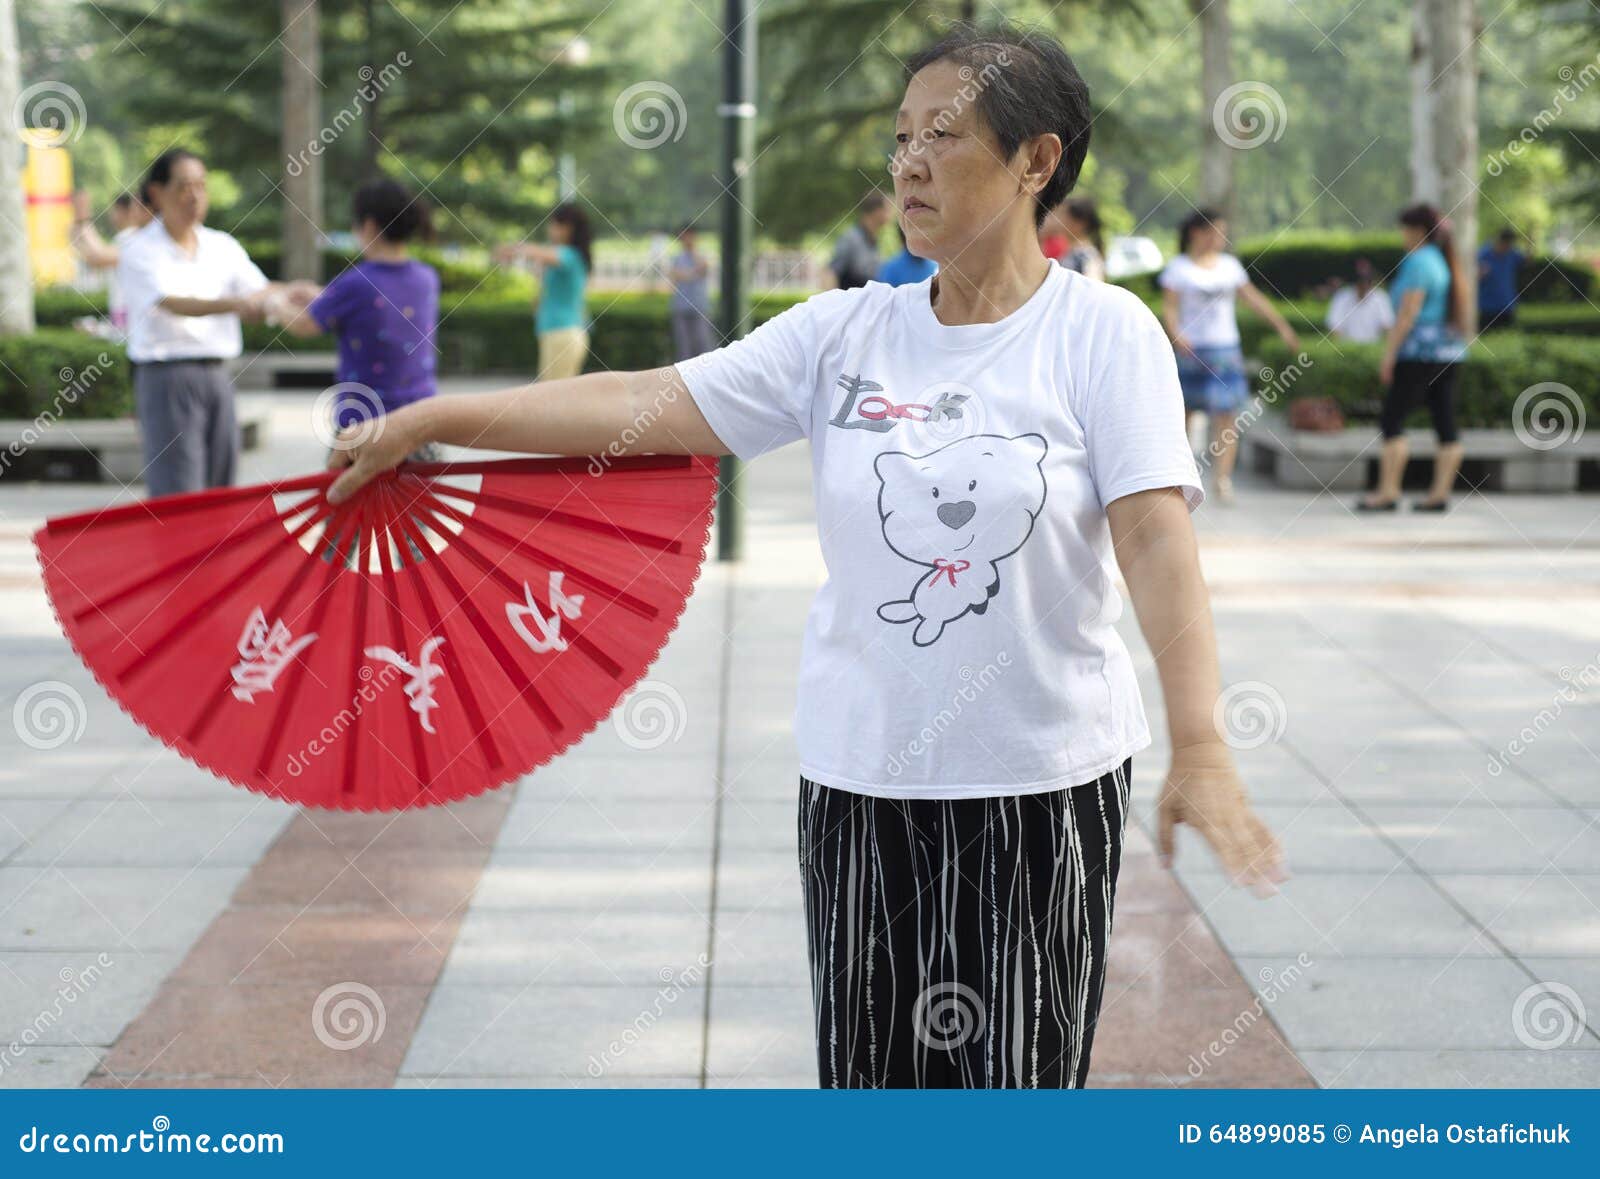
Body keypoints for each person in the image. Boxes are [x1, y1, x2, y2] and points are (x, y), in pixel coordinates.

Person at [326, 21, 1285, 1091]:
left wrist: (1200, 742)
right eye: (899, 137)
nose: (908, 162)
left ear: (1036, 160)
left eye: (943, 135)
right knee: (867, 1084)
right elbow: (643, 403)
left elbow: (1155, 537)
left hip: (1038, 785)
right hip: (860, 778)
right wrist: (432, 418)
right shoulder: (841, 334)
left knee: (1016, 1082)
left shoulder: (1103, 334)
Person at [118, 148, 307, 498]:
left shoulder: (222, 246)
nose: (195, 195)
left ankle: (215, 555)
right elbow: (173, 303)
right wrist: (238, 305)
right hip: (167, 378)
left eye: (201, 186)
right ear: (157, 193)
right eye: (184, 186)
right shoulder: (138, 249)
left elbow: (260, 289)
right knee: (180, 494)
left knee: (220, 490)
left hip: (218, 377)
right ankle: (179, 555)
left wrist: (300, 293)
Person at [273, 177, 443, 464]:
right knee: (413, 510)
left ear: (368, 227)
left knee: (347, 505)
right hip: (421, 428)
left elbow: (304, 325)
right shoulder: (427, 278)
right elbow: (385, 308)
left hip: (364, 432)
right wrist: (324, 296)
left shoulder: (357, 283)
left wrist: (274, 304)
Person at [1158, 208, 1300, 505]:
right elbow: (1169, 307)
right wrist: (1175, 333)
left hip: (1225, 350)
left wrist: (1282, 326)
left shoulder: (1230, 267)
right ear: (1196, 232)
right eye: (1214, 231)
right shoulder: (1178, 268)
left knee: (1227, 418)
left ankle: (1222, 479)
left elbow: (1253, 300)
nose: (1219, 238)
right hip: (1191, 350)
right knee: (1184, 415)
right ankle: (1180, 477)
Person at [1358, 203, 1470, 513]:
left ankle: (1388, 491)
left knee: (1392, 419)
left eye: (1404, 229)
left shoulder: (1418, 262)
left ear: (1417, 231)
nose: (1401, 236)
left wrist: (1389, 356)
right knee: (1445, 421)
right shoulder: (1441, 260)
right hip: (1449, 351)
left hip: (1418, 353)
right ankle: (1439, 494)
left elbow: (1407, 314)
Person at [495, 202, 592, 381]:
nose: (550, 229)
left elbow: (544, 254)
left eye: (554, 224)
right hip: (557, 334)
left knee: (554, 400)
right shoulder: (566, 257)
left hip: (562, 334)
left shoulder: (570, 254)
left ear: (567, 228)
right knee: (554, 397)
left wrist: (516, 250)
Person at [70, 186, 154, 338]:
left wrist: (82, 218)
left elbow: (96, 257)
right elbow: (93, 253)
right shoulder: (131, 238)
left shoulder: (136, 239)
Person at [667, 223, 716, 361]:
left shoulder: (701, 255)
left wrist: (693, 251)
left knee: (703, 343)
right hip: (680, 307)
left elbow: (703, 269)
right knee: (684, 347)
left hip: (699, 307)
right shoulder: (677, 258)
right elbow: (675, 276)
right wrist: (690, 274)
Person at [826, 191, 891, 288]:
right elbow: (831, 272)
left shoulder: (873, 238)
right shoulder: (850, 238)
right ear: (877, 211)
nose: (891, 214)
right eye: (888, 209)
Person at [1326, 257, 1394, 343]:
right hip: (1346, 348)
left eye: (1367, 280)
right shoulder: (1341, 296)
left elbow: (1387, 326)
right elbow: (1334, 328)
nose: (1364, 284)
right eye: (1360, 280)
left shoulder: (1381, 297)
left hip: (1373, 349)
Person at [1477, 228, 1525, 331]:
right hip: (1487, 309)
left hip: (1507, 307)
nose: (1507, 247)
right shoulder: (1483, 254)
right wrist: (1479, 273)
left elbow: (1528, 260)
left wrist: (1530, 239)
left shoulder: (1512, 254)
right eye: (1506, 244)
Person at [1059, 196, 1105, 280]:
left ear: (1080, 223)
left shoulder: (1087, 257)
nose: (1060, 220)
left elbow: (1092, 288)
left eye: (1064, 215)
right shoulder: (1071, 252)